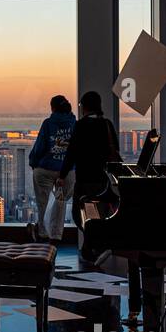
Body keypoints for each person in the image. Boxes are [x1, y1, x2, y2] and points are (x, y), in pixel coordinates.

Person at [57, 91, 121, 260]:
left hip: (84, 179)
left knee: (80, 215)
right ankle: (94, 247)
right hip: (102, 180)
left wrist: (62, 175)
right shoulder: (107, 125)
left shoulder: (81, 126)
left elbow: (71, 153)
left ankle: (92, 246)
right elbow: (115, 151)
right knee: (98, 214)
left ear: (84, 106)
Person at [29, 95, 77, 244]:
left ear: (53, 108)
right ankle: (55, 236)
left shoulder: (48, 124)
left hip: (45, 168)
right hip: (68, 170)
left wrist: (33, 163)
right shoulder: (75, 124)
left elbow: (40, 147)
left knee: (42, 202)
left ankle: (42, 233)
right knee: (60, 201)